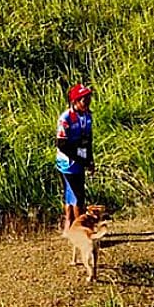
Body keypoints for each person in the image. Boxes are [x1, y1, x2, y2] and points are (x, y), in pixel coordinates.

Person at [55, 83, 94, 232]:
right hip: (67, 162)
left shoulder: (87, 116)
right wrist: (80, 159)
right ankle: (80, 231)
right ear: (75, 101)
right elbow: (62, 144)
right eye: (84, 99)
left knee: (73, 196)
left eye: (88, 98)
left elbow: (88, 140)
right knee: (77, 197)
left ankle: (69, 228)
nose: (87, 101)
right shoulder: (66, 118)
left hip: (80, 160)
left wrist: (90, 160)